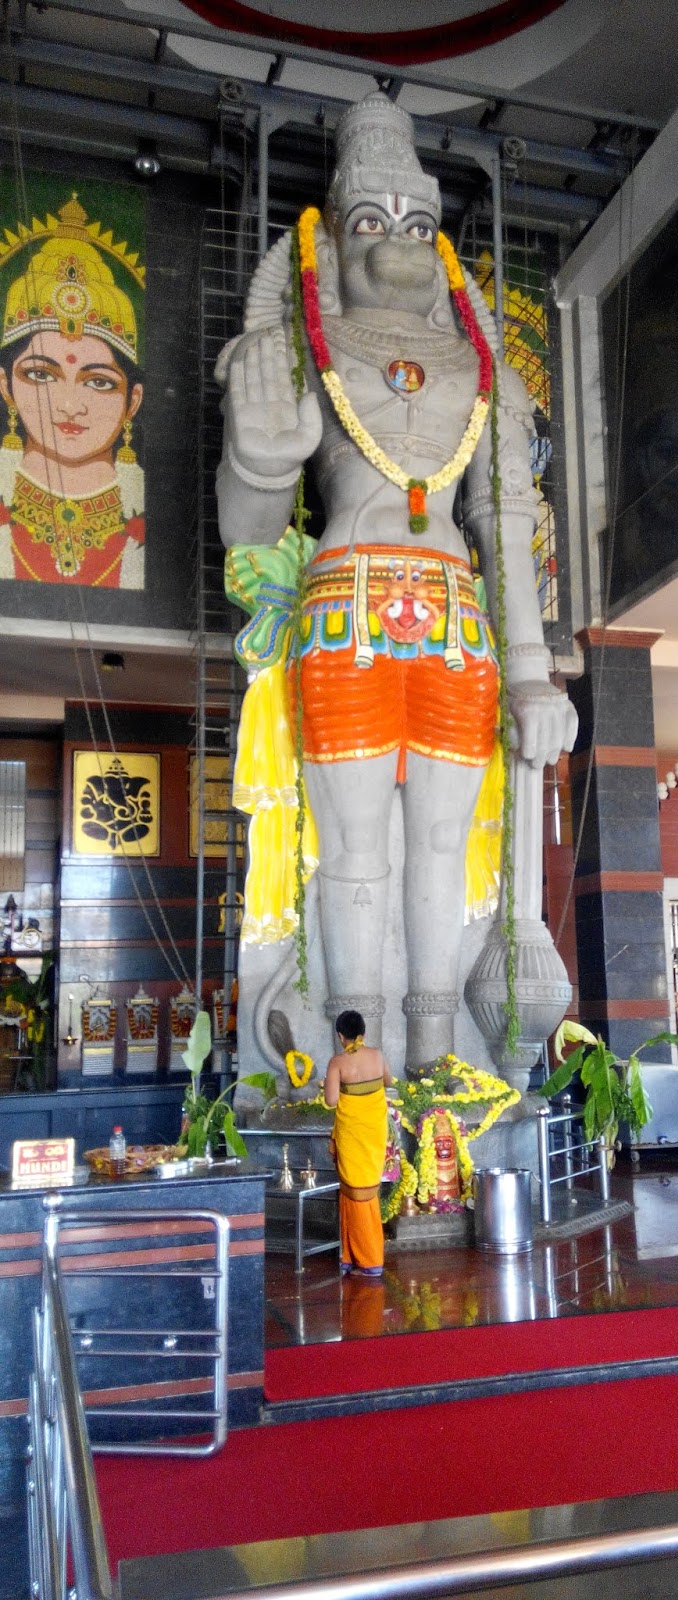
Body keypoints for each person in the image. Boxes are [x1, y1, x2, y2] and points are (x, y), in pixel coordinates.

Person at [218, 92, 576, 1075]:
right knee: (356, 851)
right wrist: (254, 463)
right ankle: (357, 1057)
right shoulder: (302, 350)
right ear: (333, 240)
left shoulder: (477, 365)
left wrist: (535, 673)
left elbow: (503, 522)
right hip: (343, 609)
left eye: (417, 219)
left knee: (439, 847)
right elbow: (245, 536)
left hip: (457, 620)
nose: (397, 240)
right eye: (369, 220)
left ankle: (431, 1057)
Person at [0, 193, 144, 587]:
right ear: (5, 385)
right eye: (41, 375)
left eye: (99, 382)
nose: (69, 406)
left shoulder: (144, 522)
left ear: (133, 400)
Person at [324, 1008, 391, 1276]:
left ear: (341, 1036)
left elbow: (331, 1101)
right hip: (374, 1131)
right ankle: (349, 1255)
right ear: (363, 1032)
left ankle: (371, 1259)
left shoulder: (337, 1062)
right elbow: (388, 1081)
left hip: (351, 1134)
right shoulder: (377, 1055)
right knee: (363, 1191)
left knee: (356, 1193)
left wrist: (329, 1084)